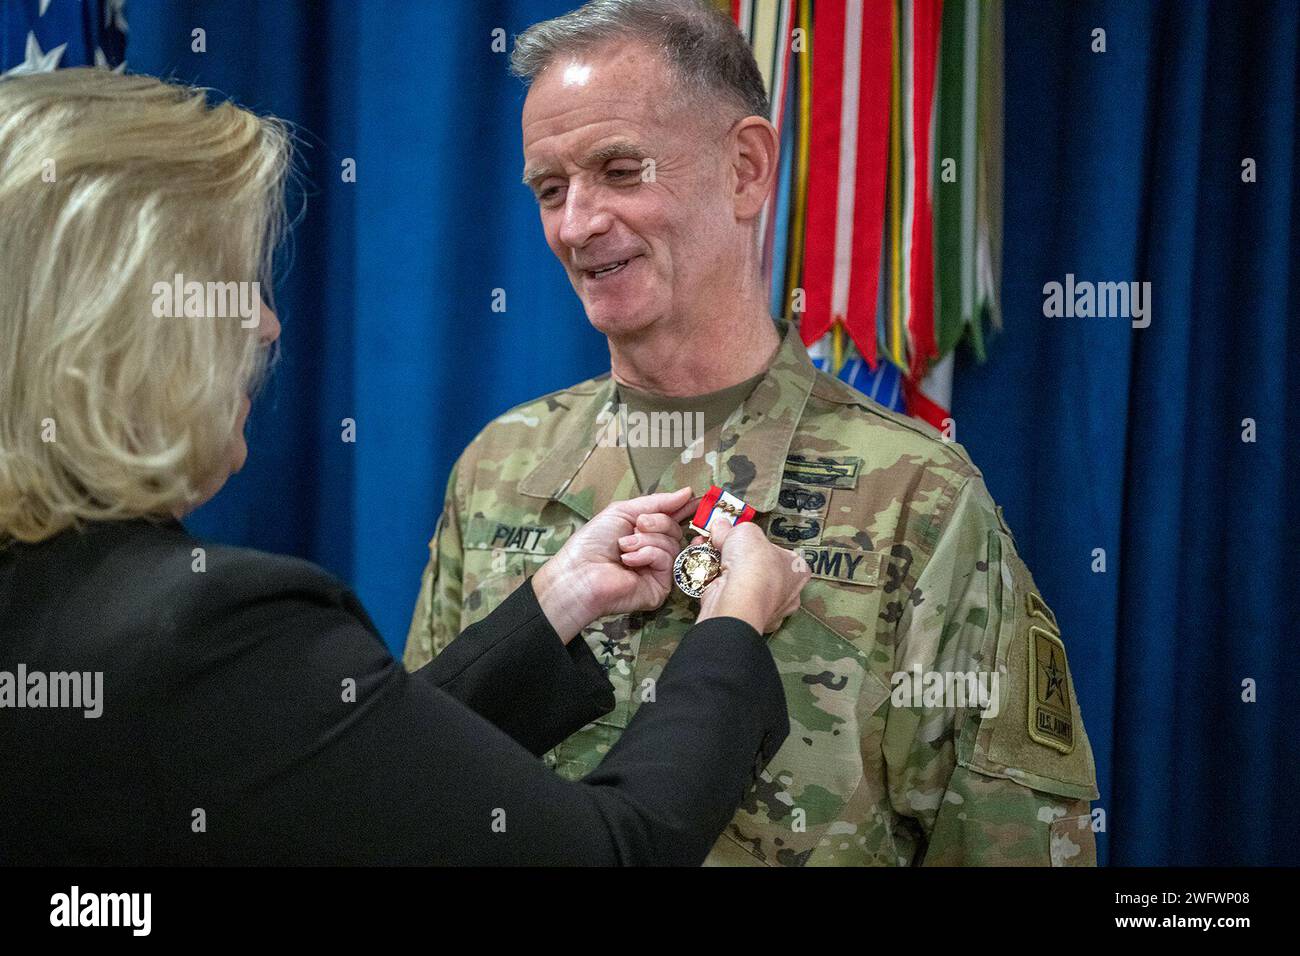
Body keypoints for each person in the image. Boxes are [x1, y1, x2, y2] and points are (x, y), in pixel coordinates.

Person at [0, 67, 810, 865]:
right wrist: (733, 622)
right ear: (113, 325)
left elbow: (343, 777)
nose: (265, 324)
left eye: (622, 171)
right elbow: (612, 855)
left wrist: (557, 602)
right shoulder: (207, 628)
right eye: (230, 286)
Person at [405, 0, 1099, 866]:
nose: (577, 222)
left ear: (744, 169)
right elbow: (413, 790)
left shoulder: (918, 495)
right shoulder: (496, 468)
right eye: (551, 189)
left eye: (620, 171)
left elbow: (1007, 848)